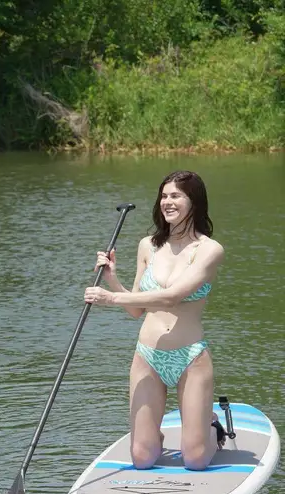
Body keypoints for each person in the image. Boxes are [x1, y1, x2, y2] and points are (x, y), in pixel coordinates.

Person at [84, 170, 225, 471]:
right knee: (142, 458)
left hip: (189, 356)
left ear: (194, 201)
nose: (167, 202)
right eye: (164, 195)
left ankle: (212, 427)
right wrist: (112, 280)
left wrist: (110, 299)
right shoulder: (148, 246)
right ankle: (152, 435)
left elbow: (172, 297)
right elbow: (137, 309)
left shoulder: (209, 250)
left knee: (196, 459)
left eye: (176, 195)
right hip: (147, 356)